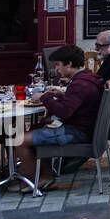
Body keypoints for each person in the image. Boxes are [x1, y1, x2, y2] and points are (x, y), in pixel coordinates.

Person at [13, 45, 103, 192]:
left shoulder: (80, 84)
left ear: (69, 64)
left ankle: (29, 183)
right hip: (84, 128)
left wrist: (45, 96)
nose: (56, 69)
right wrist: (63, 96)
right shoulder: (88, 78)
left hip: (76, 132)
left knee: (20, 140)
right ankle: (46, 178)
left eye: (58, 65)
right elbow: (79, 103)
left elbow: (64, 112)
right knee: (38, 128)